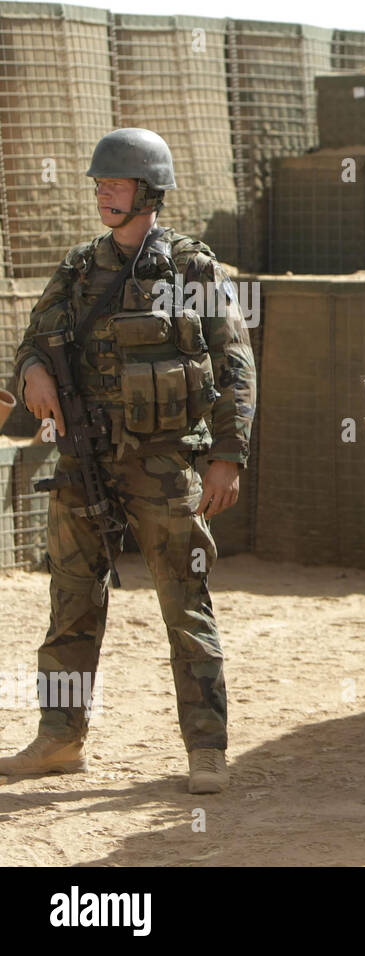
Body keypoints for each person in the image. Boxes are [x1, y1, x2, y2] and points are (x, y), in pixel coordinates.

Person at [0, 128, 256, 795]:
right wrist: (33, 374)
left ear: (146, 191)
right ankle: (60, 736)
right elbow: (33, 341)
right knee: (70, 604)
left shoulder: (190, 268)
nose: (103, 194)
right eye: (99, 185)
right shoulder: (79, 267)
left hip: (165, 466)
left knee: (185, 604)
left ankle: (206, 747)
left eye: (114, 185)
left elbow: (234, 363)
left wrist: (228, 455)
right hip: (83, 460)